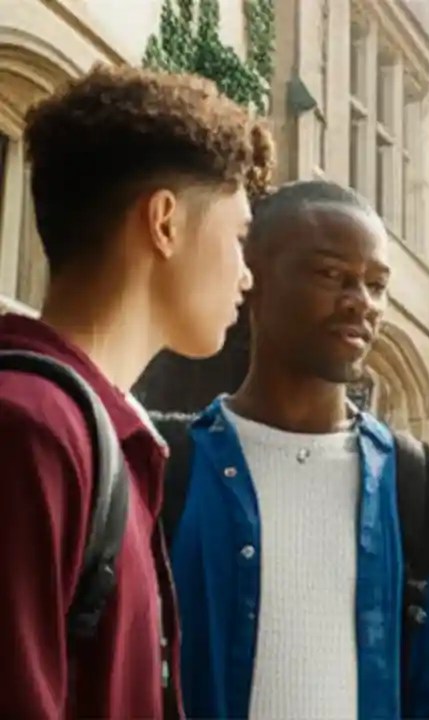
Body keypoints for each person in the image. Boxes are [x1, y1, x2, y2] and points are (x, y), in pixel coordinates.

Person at [165, 180, 429, 719]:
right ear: (251, 274)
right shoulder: (161, 474)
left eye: (376, 284)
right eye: (330, 274)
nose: (360, 301)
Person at [0, 64, 270, 718]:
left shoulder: (97, 435)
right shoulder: (29, 431)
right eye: (239, 237)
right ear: (165, 222)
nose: (247, 276)